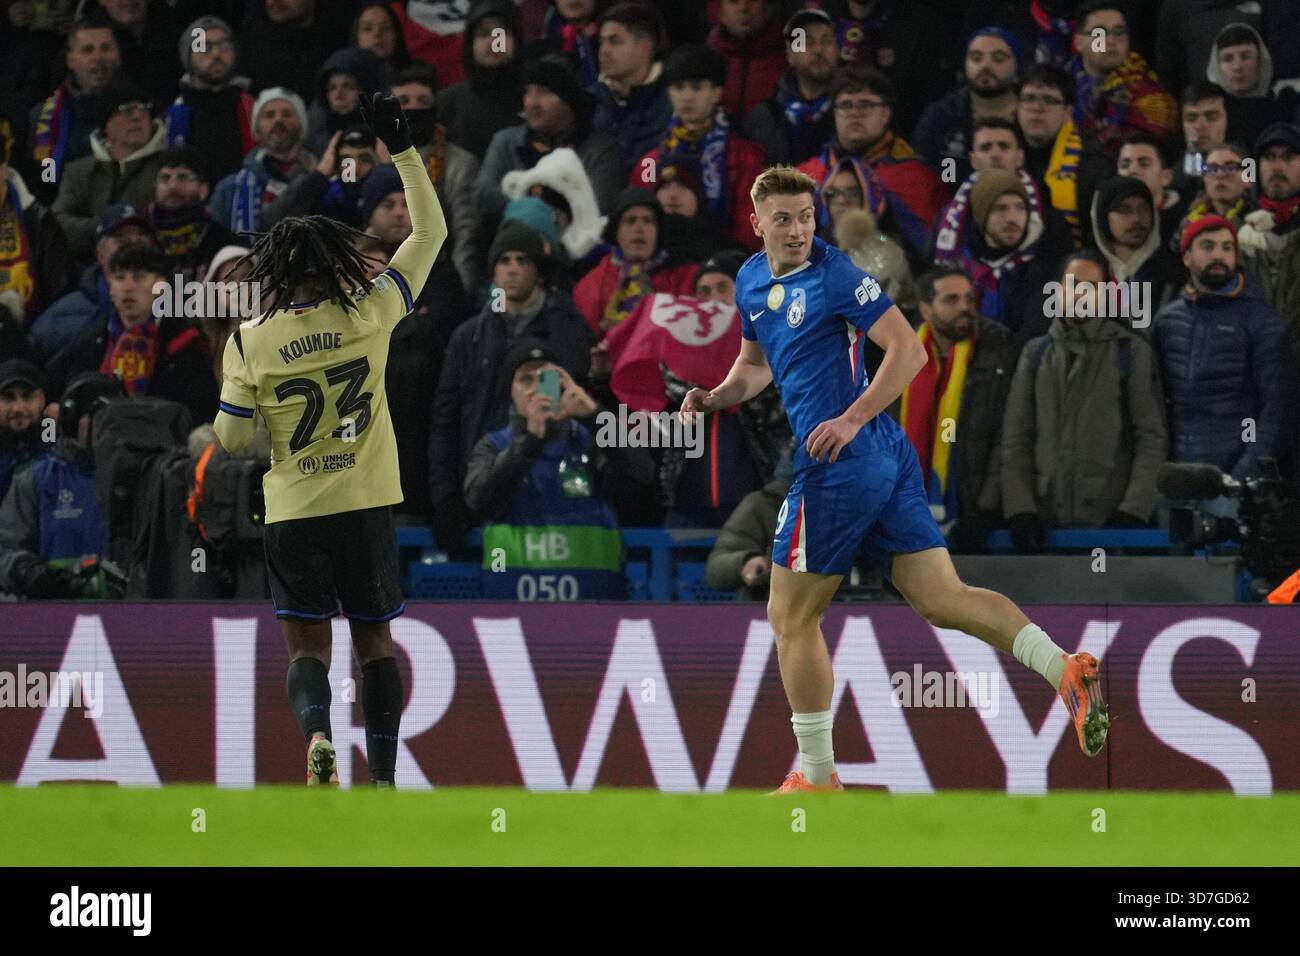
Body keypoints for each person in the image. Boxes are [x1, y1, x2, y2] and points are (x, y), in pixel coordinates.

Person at [681, 166, 1109, 793]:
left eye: (806, 217)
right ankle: (1064, 668)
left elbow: (909, 349)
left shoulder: (837, 275)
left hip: (844, 458)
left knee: (790, 617)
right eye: (784, 220)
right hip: (881, 457)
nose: (799, 230)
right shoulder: (750, 280)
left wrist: (851, 419)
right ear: (758, 224)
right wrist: (719, 396)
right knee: (941, 598)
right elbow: (755, 365)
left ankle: (819, 779)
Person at [212, 93, 448, 788]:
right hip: (366, 498)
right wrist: (403, 151)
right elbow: (430, 235)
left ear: (277, 272)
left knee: (306, 647)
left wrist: (251, 409)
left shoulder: (250, 341)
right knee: (375, 640)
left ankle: (317, 734)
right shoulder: (370, 312)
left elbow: (229, 440)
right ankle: (381, 776)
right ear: (335, 261)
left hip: (294, 509)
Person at [430, 218, 593, 558]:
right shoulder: (467, 337)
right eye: (504, 260)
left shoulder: (566, 329)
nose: (513, 269)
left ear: (539, 271)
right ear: (492, 272)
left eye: (523, 260)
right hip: (482, 486)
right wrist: (446, 500)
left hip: (552, 488)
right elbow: (445, 423)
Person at [1001, 248, 1167, 552]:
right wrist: (1020, 510)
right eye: (1074, 284)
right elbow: (1015, 438)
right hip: (1045, 522)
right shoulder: (1036, 353)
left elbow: (1150, 436)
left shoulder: (1130, 351)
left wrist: (1134, 510)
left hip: (1110, 523)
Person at [464, 337, 654, 599]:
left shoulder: (588, 442)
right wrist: (529, 444)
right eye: (525, 380)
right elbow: (479, 502)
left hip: (596, 604)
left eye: (546, 380)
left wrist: (595, 414)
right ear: (510, 390)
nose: (535, 390)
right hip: (512, 606)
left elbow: (640, 474)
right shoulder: (494, 446)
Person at [1154, 215, 1298, 481]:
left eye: (1226, 248)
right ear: (1187, 257)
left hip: (1235, 477)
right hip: (1176, 476)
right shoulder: (1166, 321)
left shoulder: (1261, 320)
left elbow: (1278, 406)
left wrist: (1244, 473)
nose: (1218, 255)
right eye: (1208, 247)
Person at [896, 263, 1014, 552]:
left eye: (969, 299)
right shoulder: (900, 356)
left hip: (976, 516)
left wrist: (985, 510)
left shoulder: (1000, 352)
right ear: (925, 310)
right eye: (952, 299)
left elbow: (1007, 440)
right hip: (906, 517)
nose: (965, 307)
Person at [44, 242, 218, 424]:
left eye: (139, 277)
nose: (128, 287)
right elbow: (50, 383)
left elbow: (202, 412)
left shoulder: (186, 344)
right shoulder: (92, 338)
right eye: (120, 278)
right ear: (110, 287)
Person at [633, 44, 767, 252]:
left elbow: (752, 226)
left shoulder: (745, 158)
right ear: (669, 93)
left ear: (716, 93)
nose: (687, 96)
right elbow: (638, 212)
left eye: (696, 87)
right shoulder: (651, 163)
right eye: (679, 87)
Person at [0, 371, 122, 600]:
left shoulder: (142, 480)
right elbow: (4, 546)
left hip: (133, 616)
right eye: (96, 416)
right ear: (74, 419)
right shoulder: (37, 479)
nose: (106, 426)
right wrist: (28, 572)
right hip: (53, 616)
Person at [51, 78, 167, 262]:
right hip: (89, 266)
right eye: (126, 110)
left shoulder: (168, 166)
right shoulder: (79, 172)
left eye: (144, 108)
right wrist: (104, 227)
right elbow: (57, 222)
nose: (138, 116)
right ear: (106, 126)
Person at [573, 187, 698, 336]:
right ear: (616, 232)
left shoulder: (687, 277)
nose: (639, 228)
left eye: (647, 221)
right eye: (630, 221)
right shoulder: (590, 286)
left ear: (658, 231)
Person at [912, 27, 1022, 186]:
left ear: (1017, 66)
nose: (986, 65)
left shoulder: (1033, 115)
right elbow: (922, 176)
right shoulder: (941, 116)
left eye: (998, 59)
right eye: (976, 58)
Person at [1068, 0, 1177, 158]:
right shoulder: (1058, 89)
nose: (1111, 41)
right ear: (1078, 42)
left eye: (1119, 32)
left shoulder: (1151, 96)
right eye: (1100, 33)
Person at [208, 87, 315, 236]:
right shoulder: (229, 189)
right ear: (256, 129)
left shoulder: (321, 179)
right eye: (269, 115)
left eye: (287, 114)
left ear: (302, 125)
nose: (278, 120)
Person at [740, 9, 838, 168]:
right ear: (790, 55)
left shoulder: (853, 110)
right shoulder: (764, 118)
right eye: (807, 42)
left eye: (827, 41)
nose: (819, 50)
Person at [164, 14, 255, 184]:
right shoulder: (174, 116)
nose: (216, 54)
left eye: (224, 45)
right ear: (188, 56)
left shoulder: (252, 107)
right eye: (204, 47)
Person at [1236, 122, 1300, 363]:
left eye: (1289, 157)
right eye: (1269, 157)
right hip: (1250, 374)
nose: (1277, 166)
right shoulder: (1231, 234)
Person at [436, 0, 525, 160]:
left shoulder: (533, 99)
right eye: (484, 34)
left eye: (502, 34)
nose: (494, 42)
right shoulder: (448, 103)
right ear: (471, 44)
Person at [591, 2, 672, 176]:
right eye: (601, 42)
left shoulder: (674, 103)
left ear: (645, 46)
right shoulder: (589, 102)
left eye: (615, 41)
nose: (603, 51)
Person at [147, 146, 240, 283]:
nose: (172, 186)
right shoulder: (141, 236)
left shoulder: (223, 242)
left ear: (203, 189)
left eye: (183, 178)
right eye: (165, 178)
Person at [706, 0, 786, 119]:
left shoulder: (790, 58)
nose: (743, 8)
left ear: (768, 9)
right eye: (733, 1)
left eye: (752, 1)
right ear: (721, 13)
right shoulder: (706, 59)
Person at [0, 359, 50, 503]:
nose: (19, 408)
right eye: (8, 398)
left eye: (27, 397)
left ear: (41, 400)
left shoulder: (58, 447)